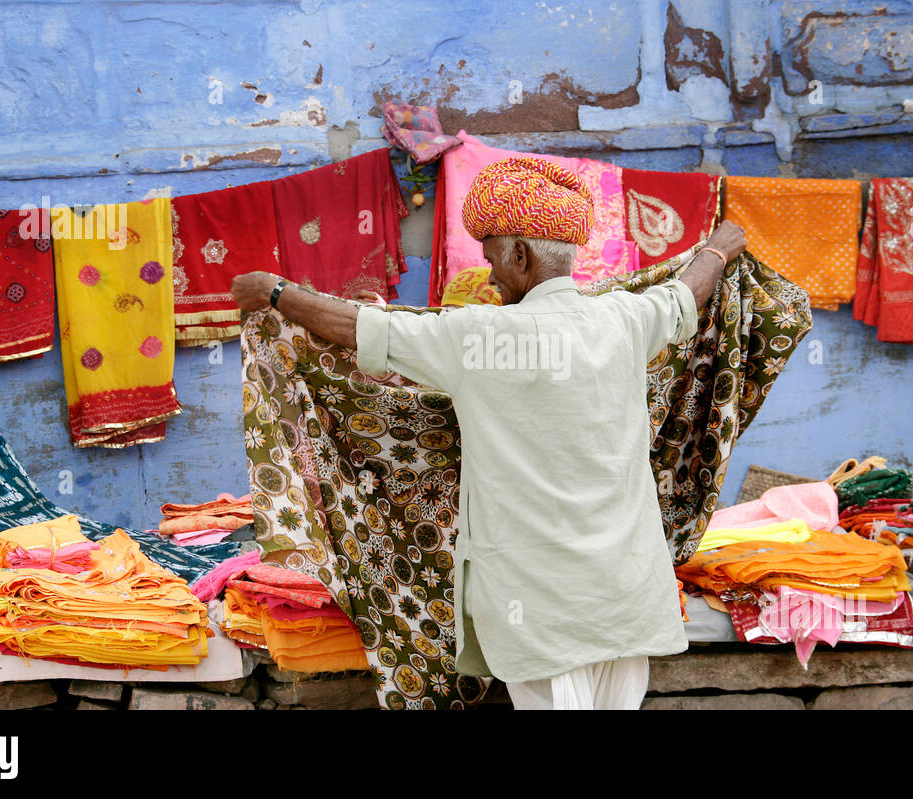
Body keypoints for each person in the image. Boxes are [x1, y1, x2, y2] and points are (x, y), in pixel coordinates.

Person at [234, 156, 745, 709]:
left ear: (521, 255)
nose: (491, 274)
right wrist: (718, 247)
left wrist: (274, 291)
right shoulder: (623, 320)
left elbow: (354, 328)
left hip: (539, 607)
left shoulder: (474, 336)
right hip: (624, 595)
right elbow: (685, 294)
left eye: (492, 256)